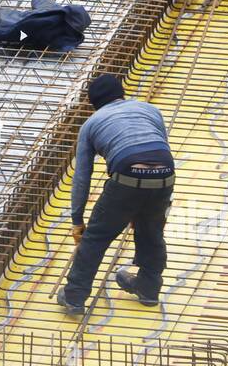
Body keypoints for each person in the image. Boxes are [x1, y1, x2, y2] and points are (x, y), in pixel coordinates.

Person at [58, 74, 175, 315]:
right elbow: (159, 148)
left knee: (96, 238)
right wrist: (148, 205)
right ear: (122, 92)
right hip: (165, 175)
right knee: (151, 232)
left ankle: (74, 297)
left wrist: (77, 220)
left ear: (94, 103)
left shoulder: (92, 123)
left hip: (126, 178)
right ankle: (149, 289)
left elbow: (82, 177)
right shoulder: (150, 110)